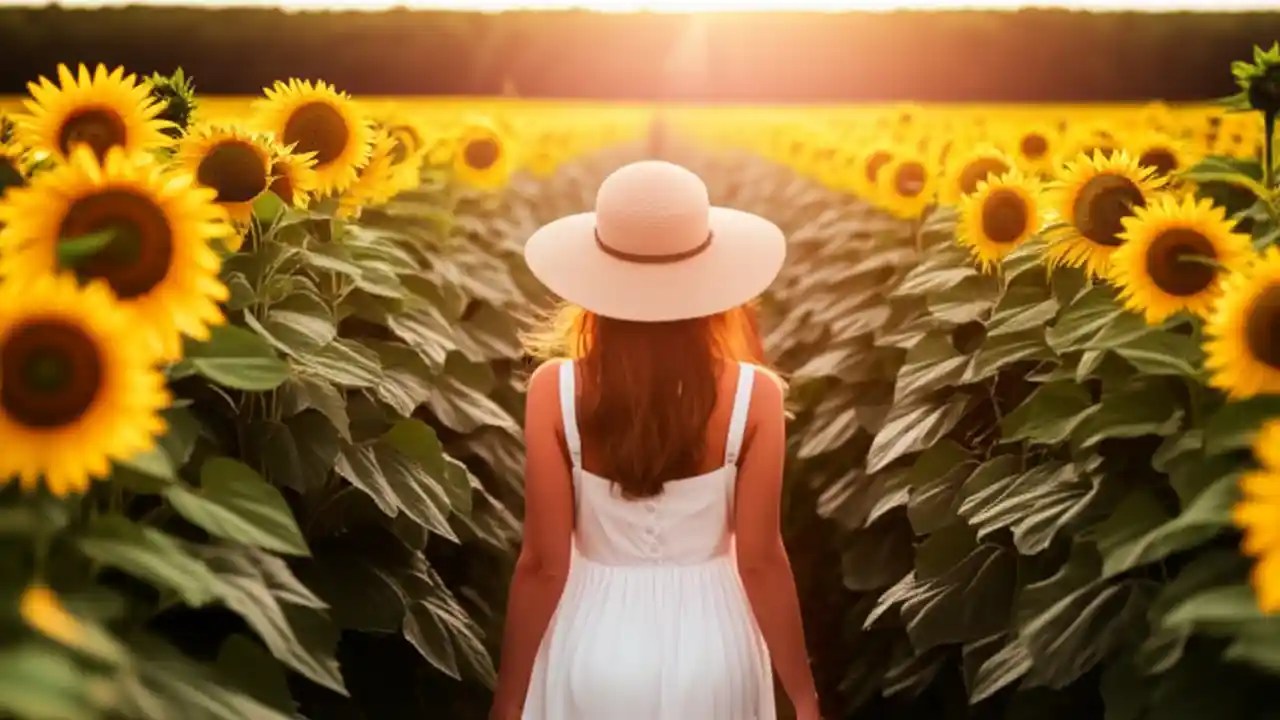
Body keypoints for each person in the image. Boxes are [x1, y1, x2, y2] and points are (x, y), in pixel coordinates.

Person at [490, 160, 820, 720]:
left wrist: (507, 700)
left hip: (592, 643)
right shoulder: (753, 396)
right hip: (715, 645)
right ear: (712, 276)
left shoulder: (555, 390)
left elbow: (544, 565)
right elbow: (761, 561)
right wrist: (805, 697)